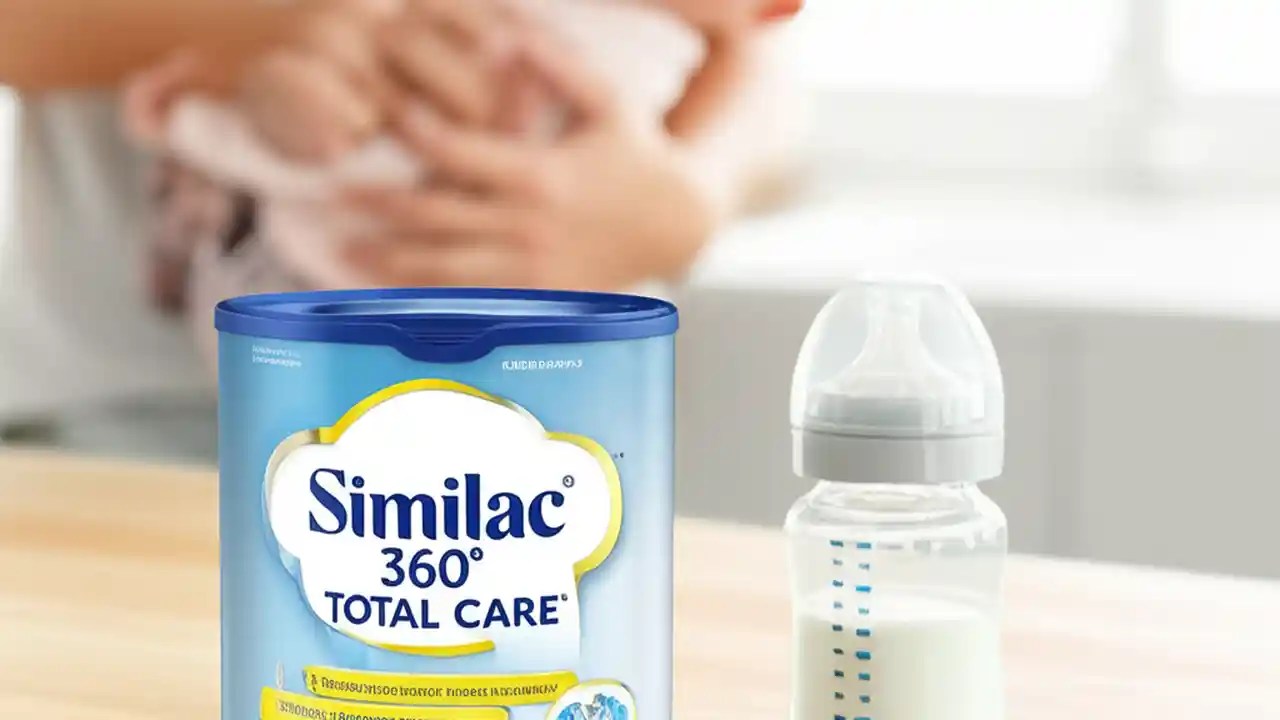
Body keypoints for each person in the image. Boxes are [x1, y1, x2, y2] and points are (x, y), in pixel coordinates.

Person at [0, 0, 800, 459]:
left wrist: (688, 196)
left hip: (537, 416)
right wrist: (261, 28)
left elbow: (758, 43)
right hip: (118, 411)